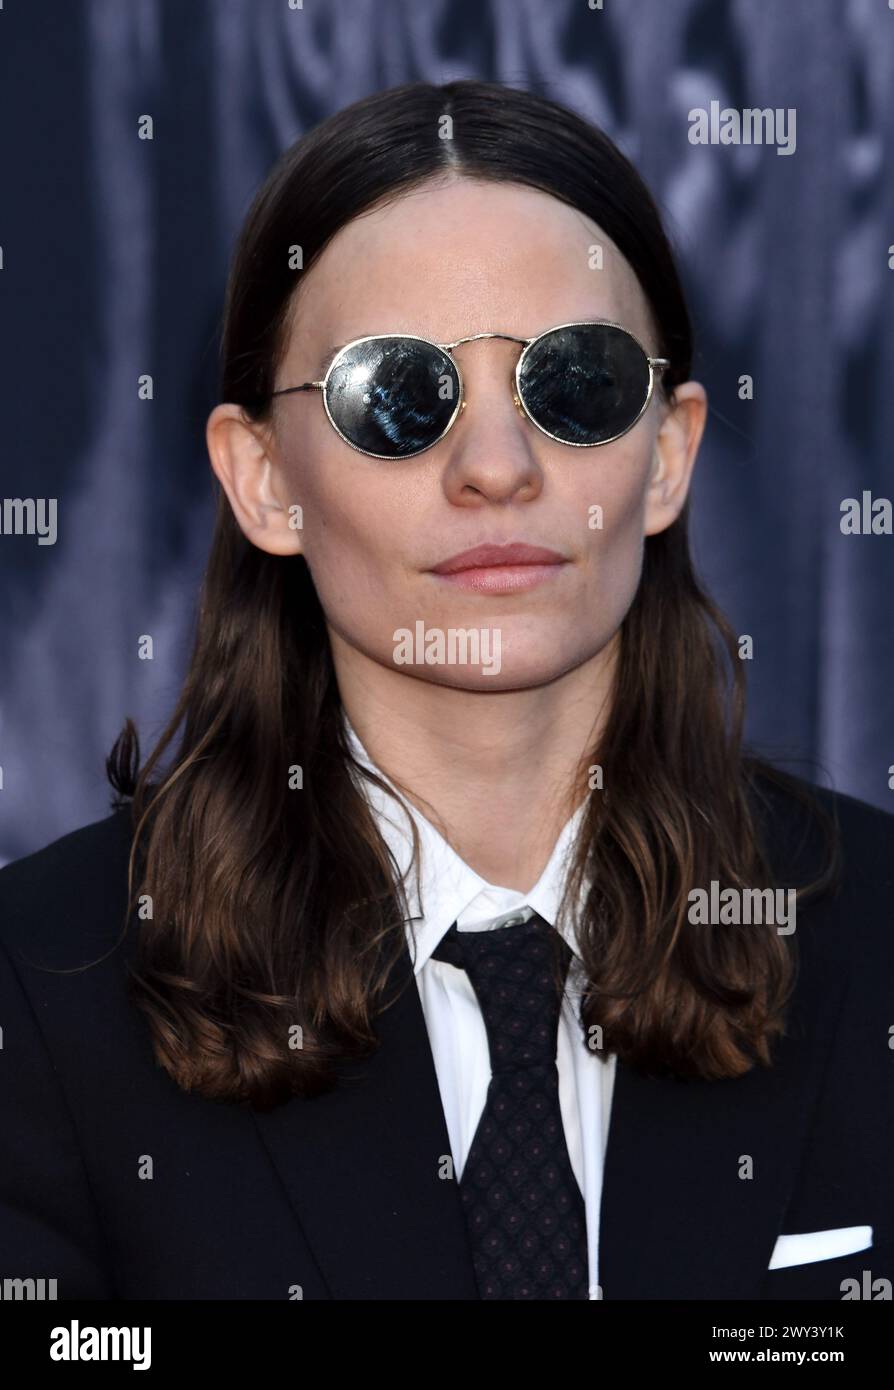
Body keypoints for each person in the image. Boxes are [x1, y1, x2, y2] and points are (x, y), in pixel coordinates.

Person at [1, 78, 892, 1302]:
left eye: (575, 382)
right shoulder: (44, 990)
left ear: (668, 454)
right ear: (262, 479)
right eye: (397, 396)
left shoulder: (875, 939)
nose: (496, 468)